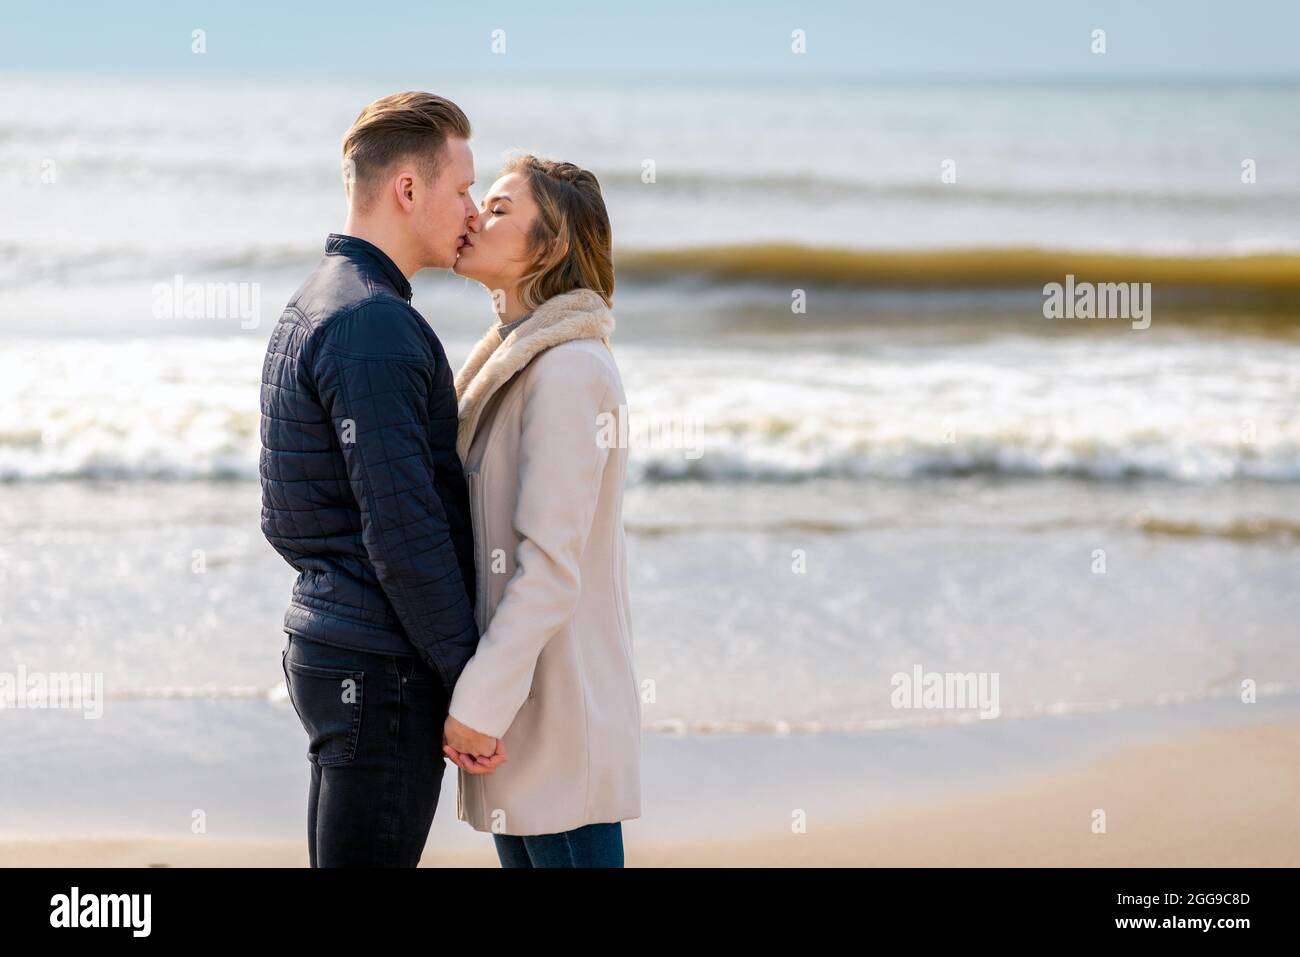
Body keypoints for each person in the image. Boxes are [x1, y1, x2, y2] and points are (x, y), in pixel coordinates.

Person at [259, 92, 504, 867]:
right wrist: (474, 684)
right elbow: (402, 532)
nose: (473, 208)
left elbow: (283, 513)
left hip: (334, 644)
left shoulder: (317, 298)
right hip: (380, 667)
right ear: (407, 189)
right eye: (463, 188)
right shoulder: (374, 324)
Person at [443, 155, 641, 867]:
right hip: (524, 714)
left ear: (549, 246)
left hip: (556, 714)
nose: (473, 216)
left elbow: (549, 569)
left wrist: (479, 702)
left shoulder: (568, 371)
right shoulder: (519, 358)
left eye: (498, 209)